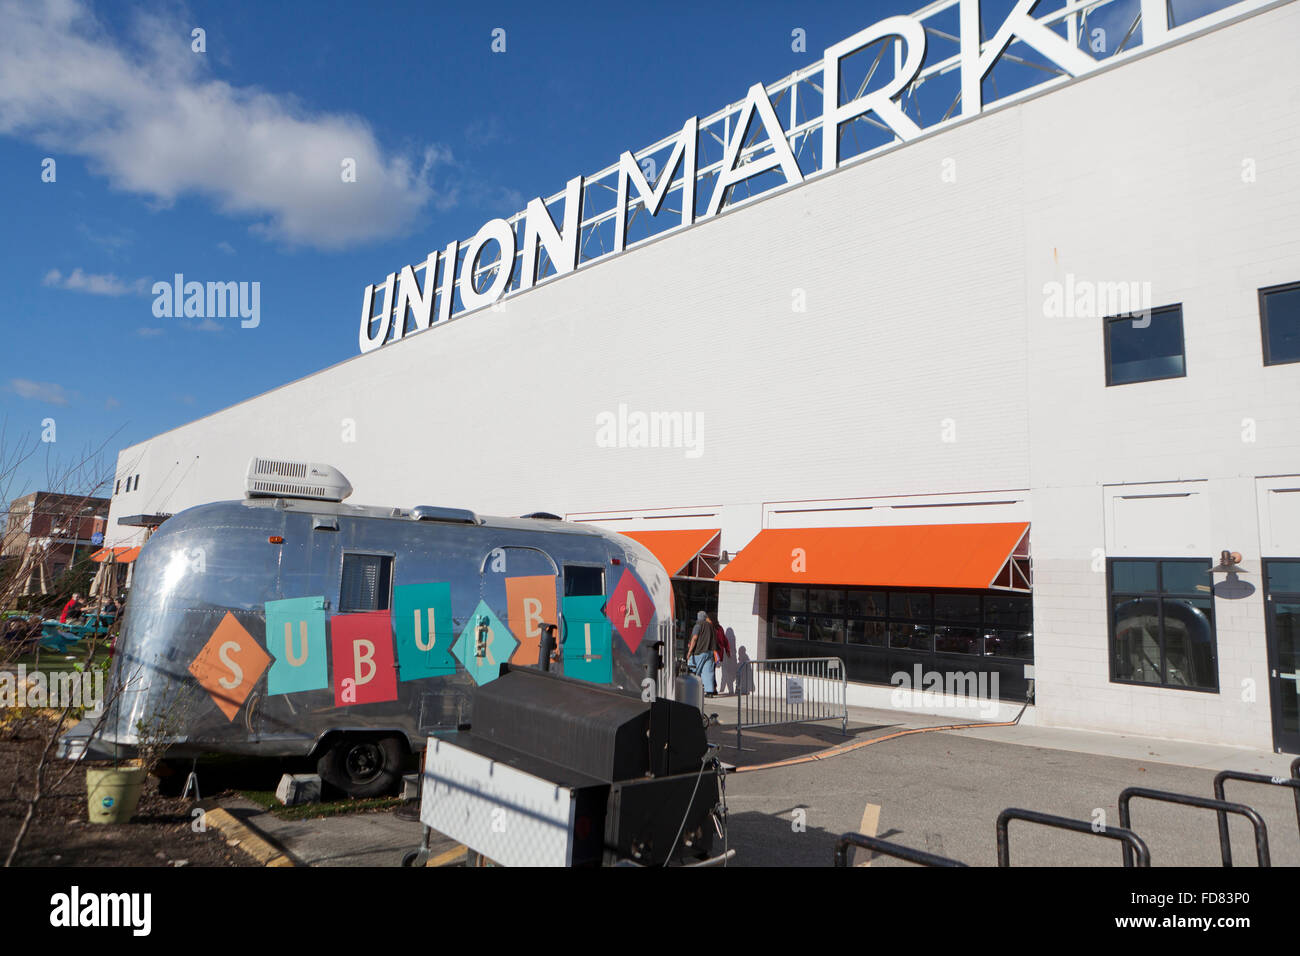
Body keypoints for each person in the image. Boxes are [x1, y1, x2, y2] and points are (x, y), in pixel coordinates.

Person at [686, 610, 719, 697]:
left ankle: (691, 690)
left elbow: (694, 638)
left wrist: (689, 652)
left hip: (699, 652)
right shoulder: (711, 626)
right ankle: (709, 692)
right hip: (710, 652)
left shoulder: (698, 625)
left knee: (694, 671)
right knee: (708, 672)